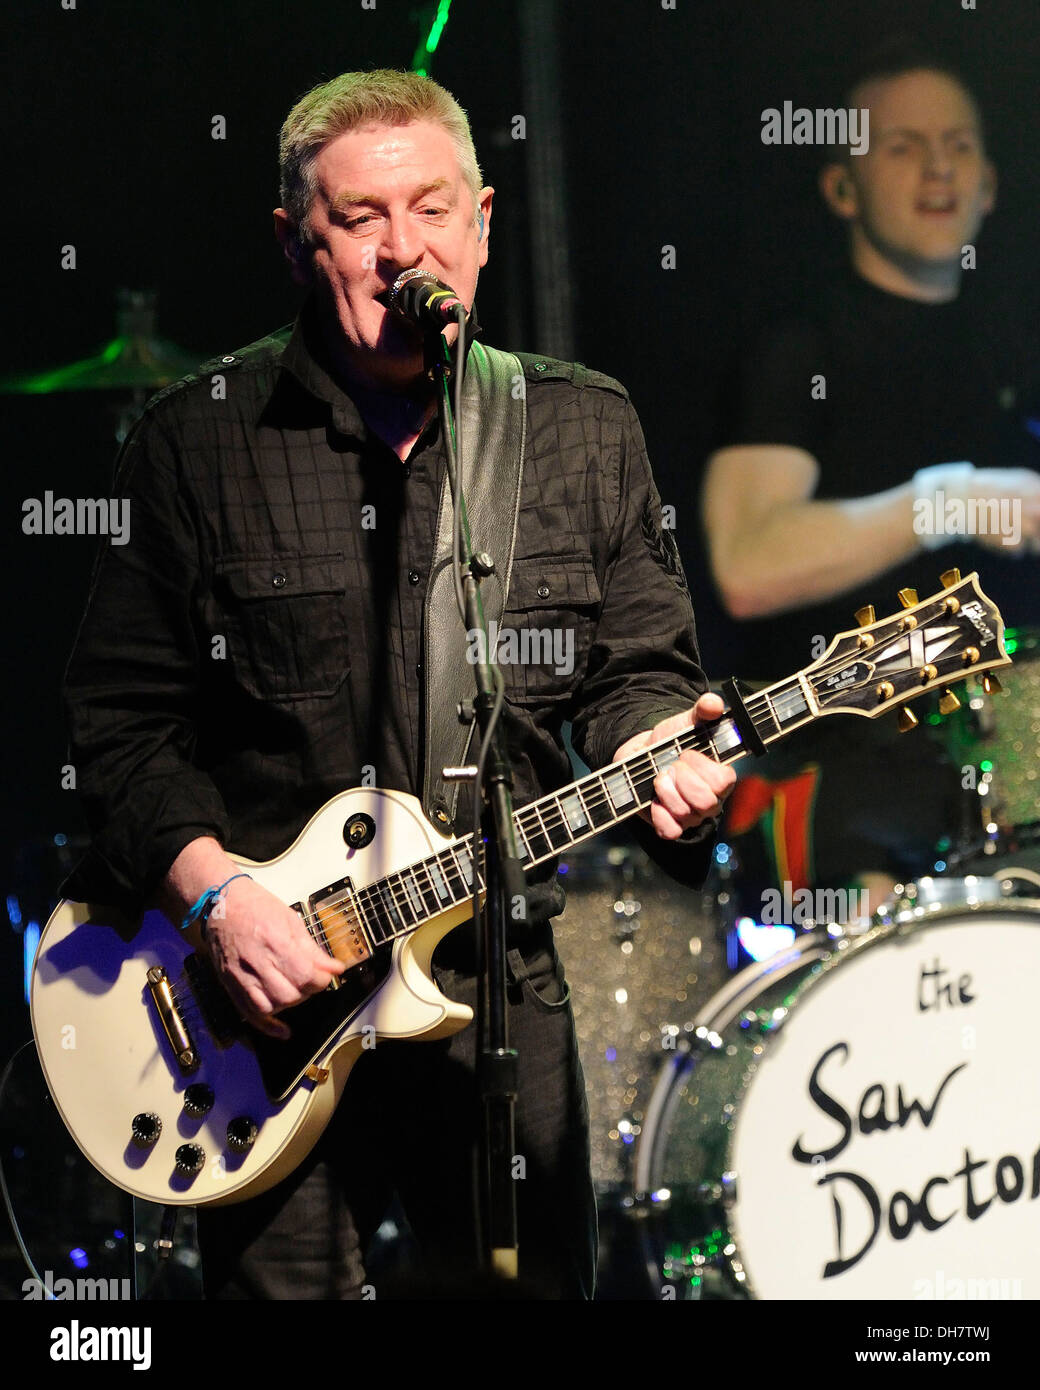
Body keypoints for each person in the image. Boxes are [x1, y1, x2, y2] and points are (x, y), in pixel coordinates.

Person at [60, 69, 735, 1300]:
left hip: (492, 987)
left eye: (430, 210)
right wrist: (216, 901)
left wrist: (662, 755)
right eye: (360, 219)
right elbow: (115, 728)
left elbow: (636, 678)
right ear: (293, 239)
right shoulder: (197, 439)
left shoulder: (580, 431)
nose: (401, 250)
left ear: (482, 220)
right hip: (263, 1006)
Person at [702, 41, 1040, 914]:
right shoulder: (800, 349)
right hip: (850, 792)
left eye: (960, 145)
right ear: (841, 188)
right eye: (902, 146)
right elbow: (748, 564)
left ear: (993, 185)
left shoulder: (1007, 351)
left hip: (1007, 771)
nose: (938, 168)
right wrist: (952, 500)